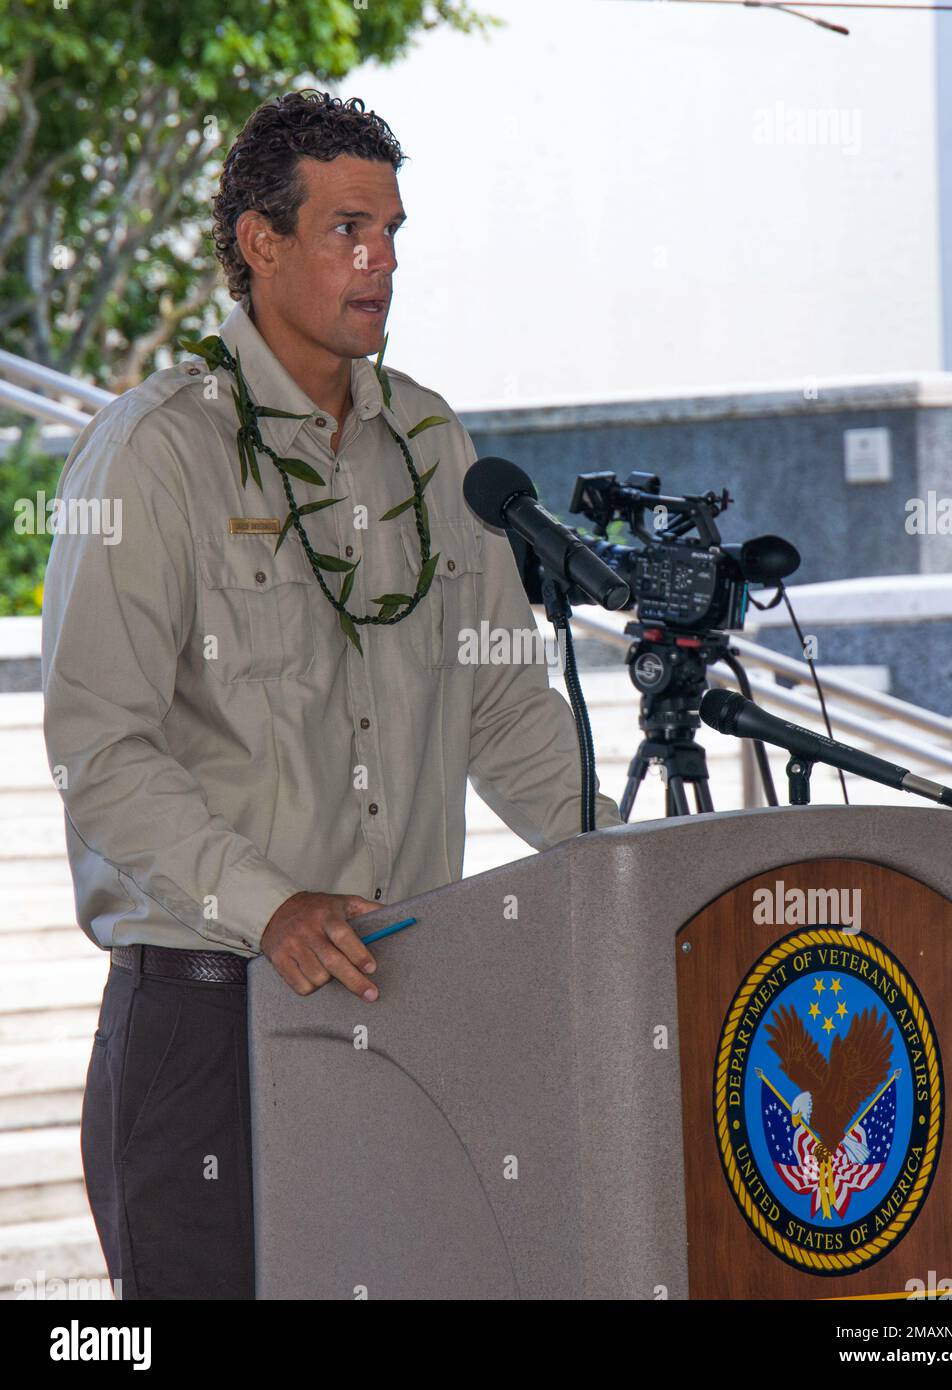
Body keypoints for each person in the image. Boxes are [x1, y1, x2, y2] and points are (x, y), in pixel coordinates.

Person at [40, 89, 623, 1300]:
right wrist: (270, 905)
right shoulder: (156, 452)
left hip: (408, 1012)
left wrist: (629, 878)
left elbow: (506, 712)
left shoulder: (434, 445)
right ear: (261, 243)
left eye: (396, 232)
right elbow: (100, 748)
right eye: (349, 228)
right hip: (208, 1022)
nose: (384, 261)